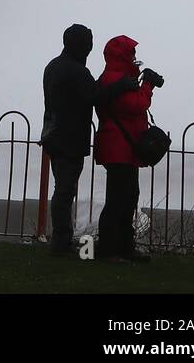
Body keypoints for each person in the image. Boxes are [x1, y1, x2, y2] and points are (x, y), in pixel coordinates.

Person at [39, 24, 137, 256]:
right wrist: (122, 85)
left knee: (62, 189)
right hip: (68, 138)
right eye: (88, 42)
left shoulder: (53, 66)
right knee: (65, 191)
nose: (90, 48)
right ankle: (62, 242)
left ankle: (61, 240)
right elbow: (96, 96)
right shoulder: (76, 71)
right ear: (82, 45)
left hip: (54, 134)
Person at [93, 35, 164, 262]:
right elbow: (136, 105)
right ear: (122, 55)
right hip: (118, 147)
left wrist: (142, 83)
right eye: (131, 53)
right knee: (118, 199)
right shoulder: (114, 78)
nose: (134, 57)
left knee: (128, 196)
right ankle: (109, 249)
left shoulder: (116, 77)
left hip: (122, 147)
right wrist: (148, 86)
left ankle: (123, 246)